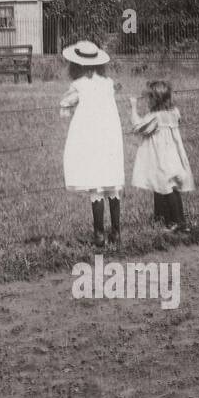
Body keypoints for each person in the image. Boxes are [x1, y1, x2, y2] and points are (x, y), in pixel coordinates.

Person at [59, 40, 125, 248]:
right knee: (111, 182)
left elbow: (65, 103)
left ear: (76, 65)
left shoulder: (78, 85)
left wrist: (65, 106)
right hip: (110, 135)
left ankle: (99, 234)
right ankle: (116, 231)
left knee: (95, 182)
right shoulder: (107, 83)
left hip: (91, 136)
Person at [129, 81, 195, 232]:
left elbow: (138, 127)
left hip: (160, 158)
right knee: (170, 185)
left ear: (155, 99)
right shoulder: (174, 112)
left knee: (165, 186)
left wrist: (133, 107)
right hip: (173, 156)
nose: (147, 101)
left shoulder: (155, 117)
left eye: (149, 98)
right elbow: (178, 120)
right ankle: (166, 218)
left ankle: (177, 223)